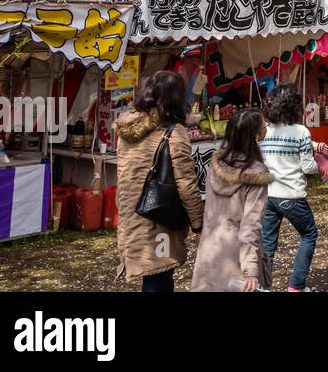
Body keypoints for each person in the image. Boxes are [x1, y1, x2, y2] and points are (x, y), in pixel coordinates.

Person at [114, 71, 205, 292]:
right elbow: (186, 184)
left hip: (132, 214)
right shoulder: (173, 132)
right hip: (160, 216)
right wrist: (199, 225)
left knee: (155, 277)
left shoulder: (125, 129)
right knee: (159, 278)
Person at [191, 108, 273, 292]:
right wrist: (250, 269)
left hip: (210, 252)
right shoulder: (256, 173)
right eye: (264, 126)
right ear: (256, 135)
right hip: (237, 257)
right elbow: (251, 224)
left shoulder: (216, 165)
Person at [260, 84, 324, 292]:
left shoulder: (264, 132)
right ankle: (296, 286)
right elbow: (308, 168)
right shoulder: (301, 132)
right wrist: (322, 165)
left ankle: (263, 286)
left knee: (268, 243)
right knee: (309, 234)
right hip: (292, 196)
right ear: (294, 106)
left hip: (268, 195)